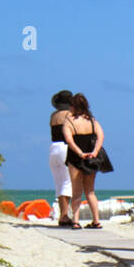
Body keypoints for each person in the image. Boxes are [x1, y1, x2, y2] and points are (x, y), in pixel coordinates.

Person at [62, 93, 104, 229]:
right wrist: (95, 152)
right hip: (91, 158)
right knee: (90, 191)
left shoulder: (69, 121)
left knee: (76, 191)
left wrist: (80, 153)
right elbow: (101, 136)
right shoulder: (92, 121)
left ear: (72, 106)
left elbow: (69, 140)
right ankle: (96, 220)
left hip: (75, 158)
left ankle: (75, 220)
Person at [48, 90, 74, 226]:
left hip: (53, 148)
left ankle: (63, 214)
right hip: (65, 147)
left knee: (59, 182)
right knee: (68, 181)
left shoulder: (53, 115)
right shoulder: (70, 115)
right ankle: (64, 215)